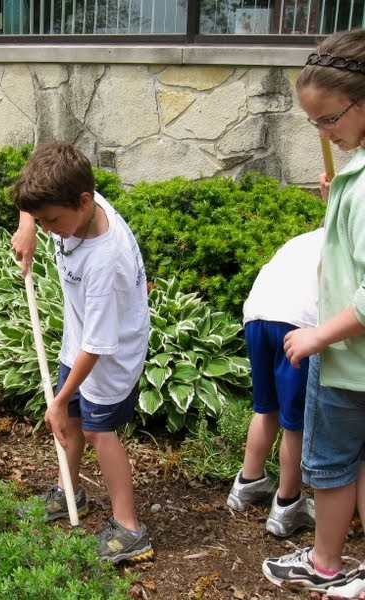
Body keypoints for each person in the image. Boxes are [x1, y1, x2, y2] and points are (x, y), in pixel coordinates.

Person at [11, 141, 153, 564]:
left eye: (52, 220)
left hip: (111, 355)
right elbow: (36, 184)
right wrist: (27, 225)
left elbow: (98, 346)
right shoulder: (73, 198)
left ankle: (130, 529)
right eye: (42, 220)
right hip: (81, 336)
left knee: (96, 431)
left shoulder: (107, 259)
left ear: (85, 202)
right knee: (71, 419)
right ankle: (68, 493)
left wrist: (57, 400)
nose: (48, 228)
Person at [261, 28, 365, 597]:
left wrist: (318, 336)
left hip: (348, 362)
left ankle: (325, 564)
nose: (324, 132)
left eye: (330, 119)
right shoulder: (358, 175)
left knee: (331, 467)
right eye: (314, 123)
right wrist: (336, 204)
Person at [227, 227, 324, 537]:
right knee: (295, 422)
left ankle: (248, 482)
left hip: (257, 316)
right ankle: (288, 503)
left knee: (265, 407)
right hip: (297, 325)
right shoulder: (345, 242)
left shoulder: (302, 240)